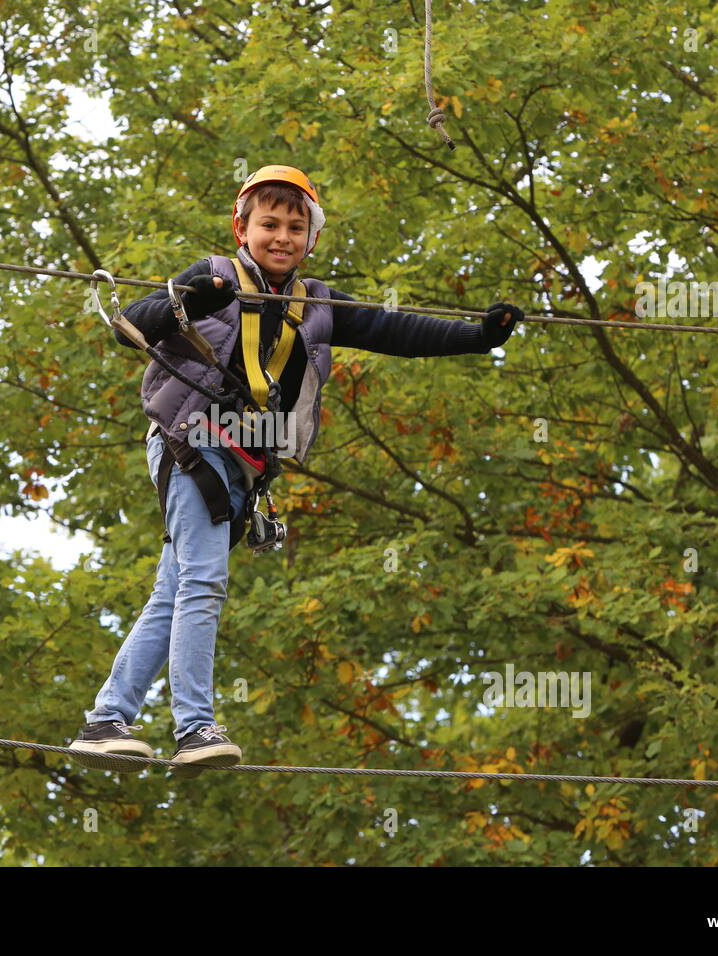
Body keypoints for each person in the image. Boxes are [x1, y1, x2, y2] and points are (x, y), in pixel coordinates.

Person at [70, 164, 522, 777]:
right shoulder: (213, 277)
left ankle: (106, 720)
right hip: (190, 445)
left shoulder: (318, 304)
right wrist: (187, 303)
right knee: (204, 581)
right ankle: (195, 726)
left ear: (311, 239)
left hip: (243, 462)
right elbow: (132, 328)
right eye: (269, 224)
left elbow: (397, 330)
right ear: (242, 227)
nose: (281, 237)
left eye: (294, 227)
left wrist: (475, 337)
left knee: (174, 591)